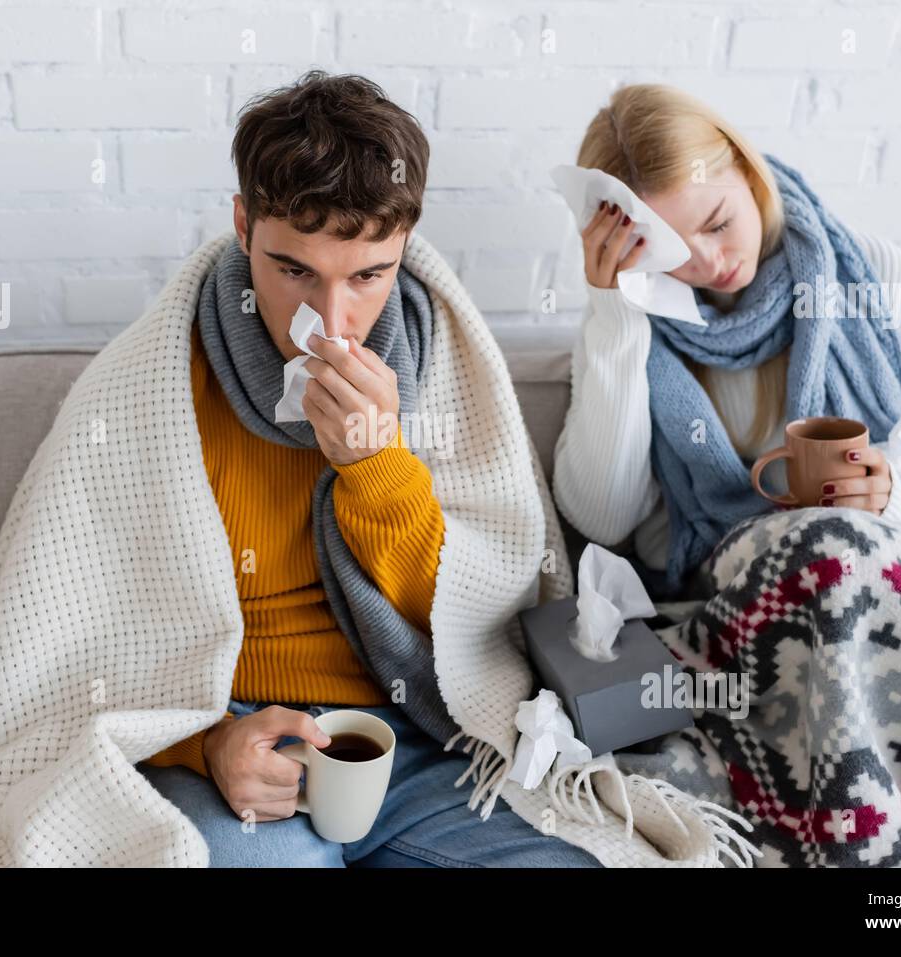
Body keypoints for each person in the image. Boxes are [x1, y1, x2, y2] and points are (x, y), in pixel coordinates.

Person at [551, 83, 901, 867]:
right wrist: (614, 317)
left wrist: (893, 493)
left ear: (749, 175)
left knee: (839, 544)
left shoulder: (871, 273)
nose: (713, 264)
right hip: (750, 613)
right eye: (678, 252)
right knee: (823, 548)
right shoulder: (635, 325)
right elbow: (604, 518)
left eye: (718, 222)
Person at [135, 70, 601, 868]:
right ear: (244, 225)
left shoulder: (437, 359)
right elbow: (85, 651)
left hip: (412, 735)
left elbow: (474, 624)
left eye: (367, 275)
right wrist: (206, 745)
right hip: (236, 735)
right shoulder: (160, 377)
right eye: (294, 271)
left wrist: (377, 466)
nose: (334, 320)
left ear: (405, 250)